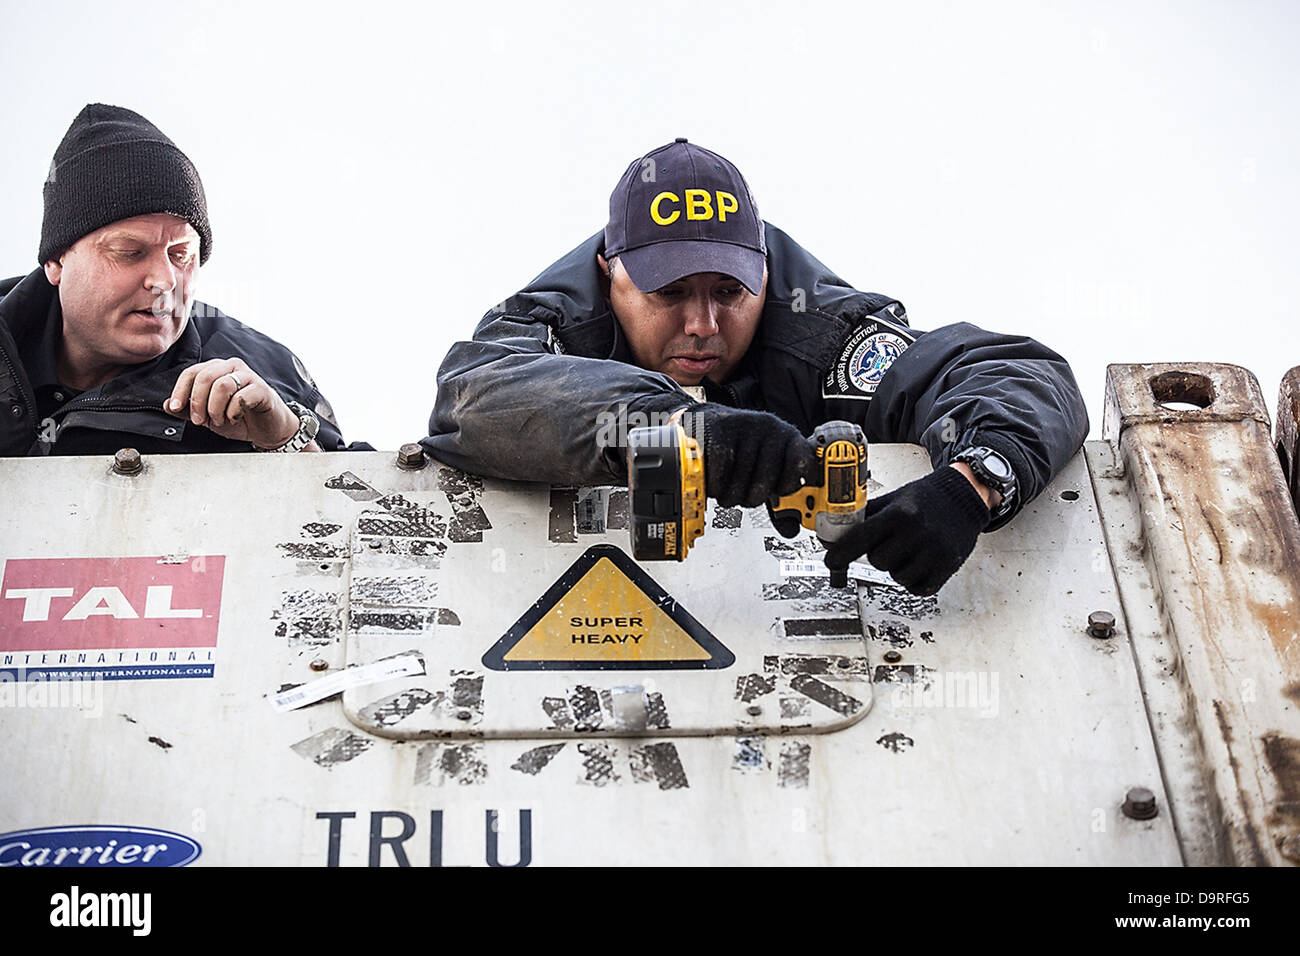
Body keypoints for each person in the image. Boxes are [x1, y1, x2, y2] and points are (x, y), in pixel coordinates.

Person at [424, 139, 1088, 595]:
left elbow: (1017, 373)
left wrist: (973, 484)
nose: (703, 324)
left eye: (729, 292)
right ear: (609, 273)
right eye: (670, 293)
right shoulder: (551, 330)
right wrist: (683, 430)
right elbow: (474, 401)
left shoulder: (822, 334)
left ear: (765, 272)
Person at [0, 103, 358, 458]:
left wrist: (284, 436)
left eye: (181, 255)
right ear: (55, 261)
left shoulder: (265, 373)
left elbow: (359, 503)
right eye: (129, 251)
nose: (164, 280)